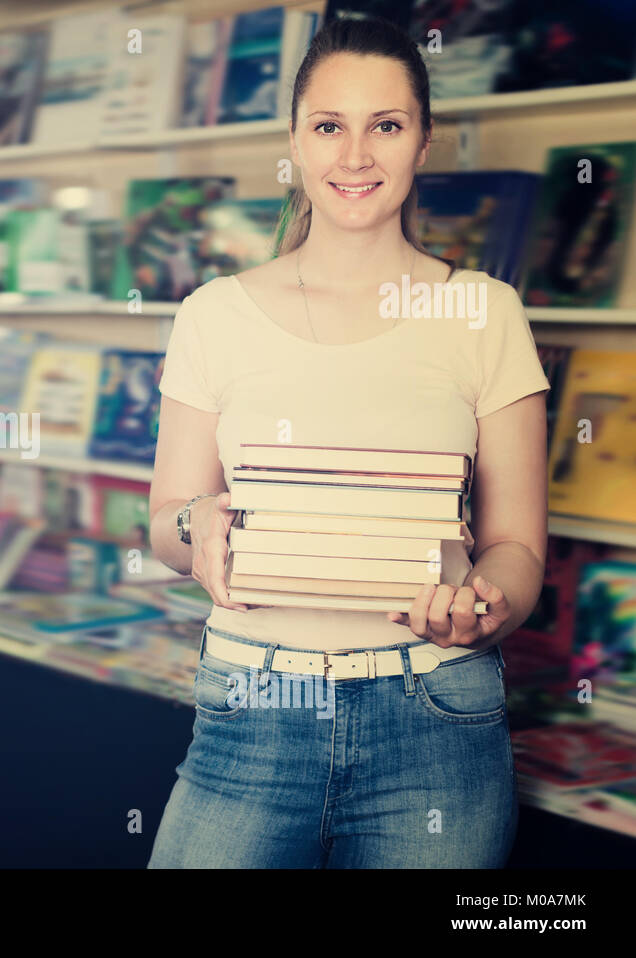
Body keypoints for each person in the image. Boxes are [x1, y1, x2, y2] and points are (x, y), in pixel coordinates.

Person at [146, 17, 549, 868]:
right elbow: (167, 520)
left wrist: (482, 607)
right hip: (250, 701)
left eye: (387, 126)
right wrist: (197, 529)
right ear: (294, 140)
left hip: (435, 714)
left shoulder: (485, 312)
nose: (355, 156)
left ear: (424, 142)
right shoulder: (213, 313)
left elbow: (516, 548)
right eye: (329, 126)